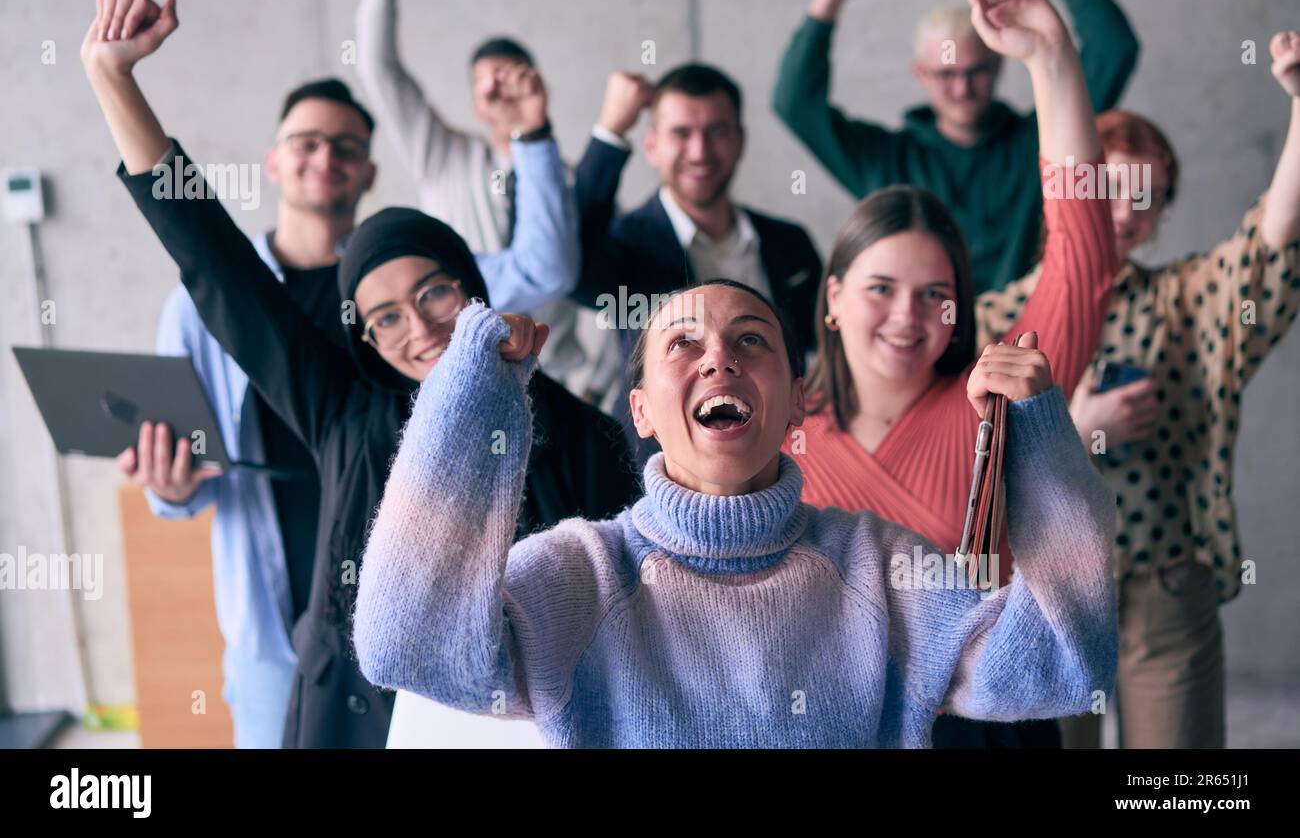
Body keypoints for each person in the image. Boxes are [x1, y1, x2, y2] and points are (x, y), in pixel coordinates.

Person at [81, 0, 640, 748]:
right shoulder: (344, 411)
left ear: (474, 291)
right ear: (366, 340)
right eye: (384, 318)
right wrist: (114, 79)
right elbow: (209, 254)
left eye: (435, 292)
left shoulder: (571, 425)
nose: (419, 328)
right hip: (356, 714)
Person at [353, 278, 1118, 748]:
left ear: (793, 404)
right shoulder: (582, 571)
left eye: (751, 340)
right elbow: (408, 648)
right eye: (683, 342)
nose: (719, 358)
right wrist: (470, 396)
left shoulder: (877, 567)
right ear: (643, 411)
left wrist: (1042, 441)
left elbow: (1058, 671)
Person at [786, 0, 1118, 748]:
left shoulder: (994, 396)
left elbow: (1082, 258)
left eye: (934, 293)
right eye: (880, 288)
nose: (907, 316)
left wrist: (1050, 58)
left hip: (982, 732)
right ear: (832, 296)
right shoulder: (779, 421)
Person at [976, 30, 1300, 748]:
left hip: (1162, 578)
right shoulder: (997, 318)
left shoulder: (1183, 300)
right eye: (1113, 190)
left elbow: (1269, 250)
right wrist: (1077, 429)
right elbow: (959, 474)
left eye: (1147, 199)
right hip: (1044, 590)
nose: (1126, 213)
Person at [114, 77, 374, 748]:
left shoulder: (389, 294)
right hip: (271, 636)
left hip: (389, 622)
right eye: (306, 142)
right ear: (274, 160)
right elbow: (180, 485)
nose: (324, 158)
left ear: (369, 171)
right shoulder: (206, 302)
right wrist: (170, 487)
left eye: (344, 146)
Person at [772, 0, 1139, 292]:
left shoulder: (1042, 139)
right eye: (946, 74)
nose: (962, 89)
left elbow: (1113, 47)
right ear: (920, 74)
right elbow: (795, 103)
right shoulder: (887, 160)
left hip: (1033, 338)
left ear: (999, 64)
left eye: (976, 71)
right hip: (923, 343)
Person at [356, 0, 590, 389]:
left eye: (513, 78)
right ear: (472, 101)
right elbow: (380, 71)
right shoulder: (444, 155)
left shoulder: (565, 178)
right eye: (488, 84)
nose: (501, 92)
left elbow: (582, 282)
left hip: (560, 385)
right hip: (460, 376)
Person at [572, 63, 824, 458]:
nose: (700, 151)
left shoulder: (788, 242)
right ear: (652, 145)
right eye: (681, 133)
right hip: (657, 470)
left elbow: (816, 348)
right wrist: (611, 130)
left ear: (740, 140)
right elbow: (573, 270)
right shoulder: (628, 245)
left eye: (717, 131)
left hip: (785, 462)